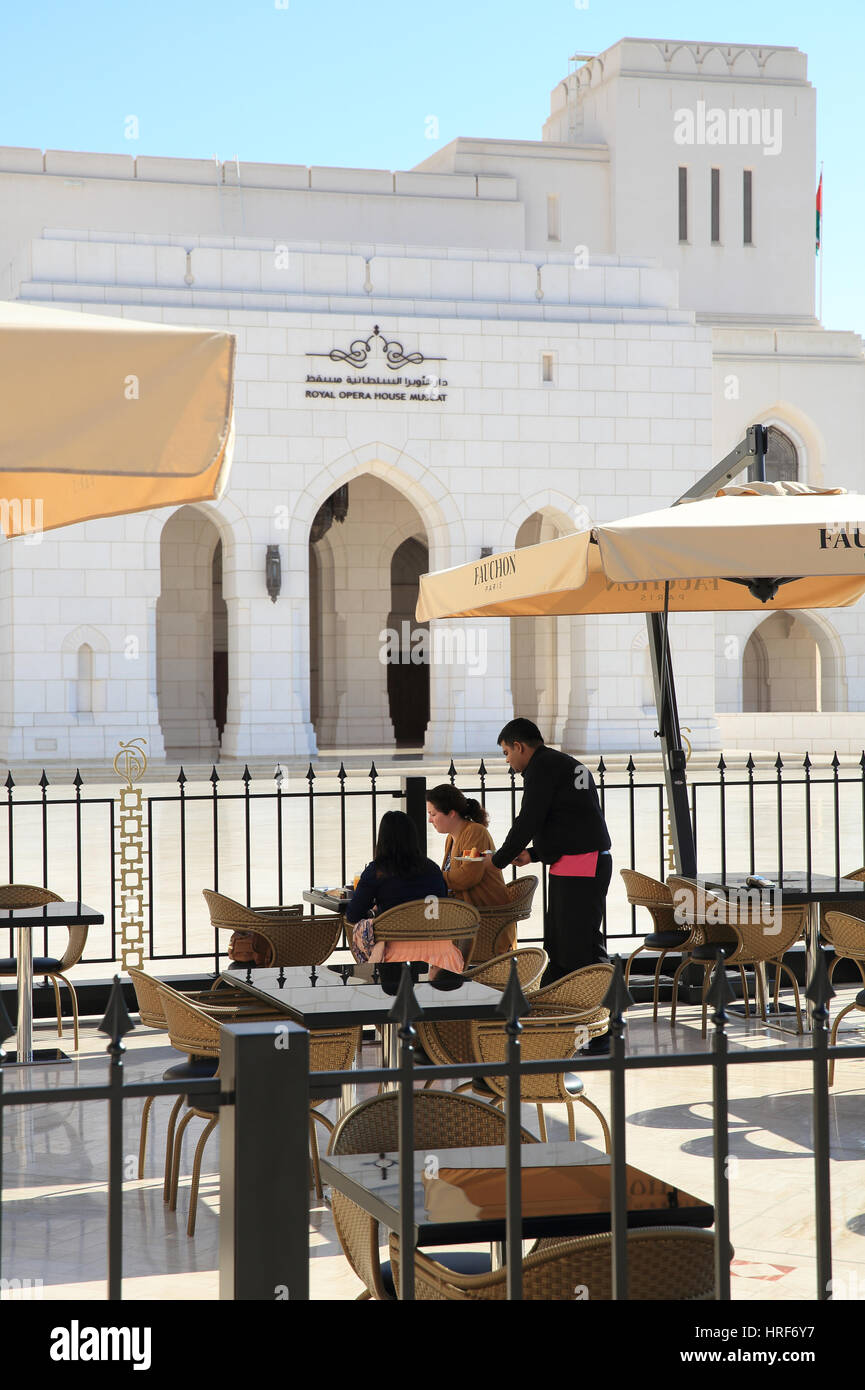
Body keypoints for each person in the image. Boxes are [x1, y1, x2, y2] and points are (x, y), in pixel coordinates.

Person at [490, 718, 612, 999]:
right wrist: (532, 854)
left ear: (519, 746)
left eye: (507, 753)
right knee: (562, 944)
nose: (508, 761)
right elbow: (569, 823)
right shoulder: (560, 763)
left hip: (583, 865)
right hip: (577, 863)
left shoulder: (542, 767)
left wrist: (497, 861)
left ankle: (601, 1020)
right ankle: (561, 1009)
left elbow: (529, 819)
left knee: (580, 948)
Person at [345, 810, 464, 973]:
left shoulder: (377, 871)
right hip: (442, 954)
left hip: (396, 957)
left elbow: (352, 915)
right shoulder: (433, 868)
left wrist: (376, 913)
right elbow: (441, 905)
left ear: (382, 839)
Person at [426, 784, 515, 953]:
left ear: (451, 813)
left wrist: (432, 877)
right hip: (465, 914)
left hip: (485, 918)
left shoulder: (475, 832)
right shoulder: (451, 839)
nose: (430, 820)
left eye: (433, 814)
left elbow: (468, 876)